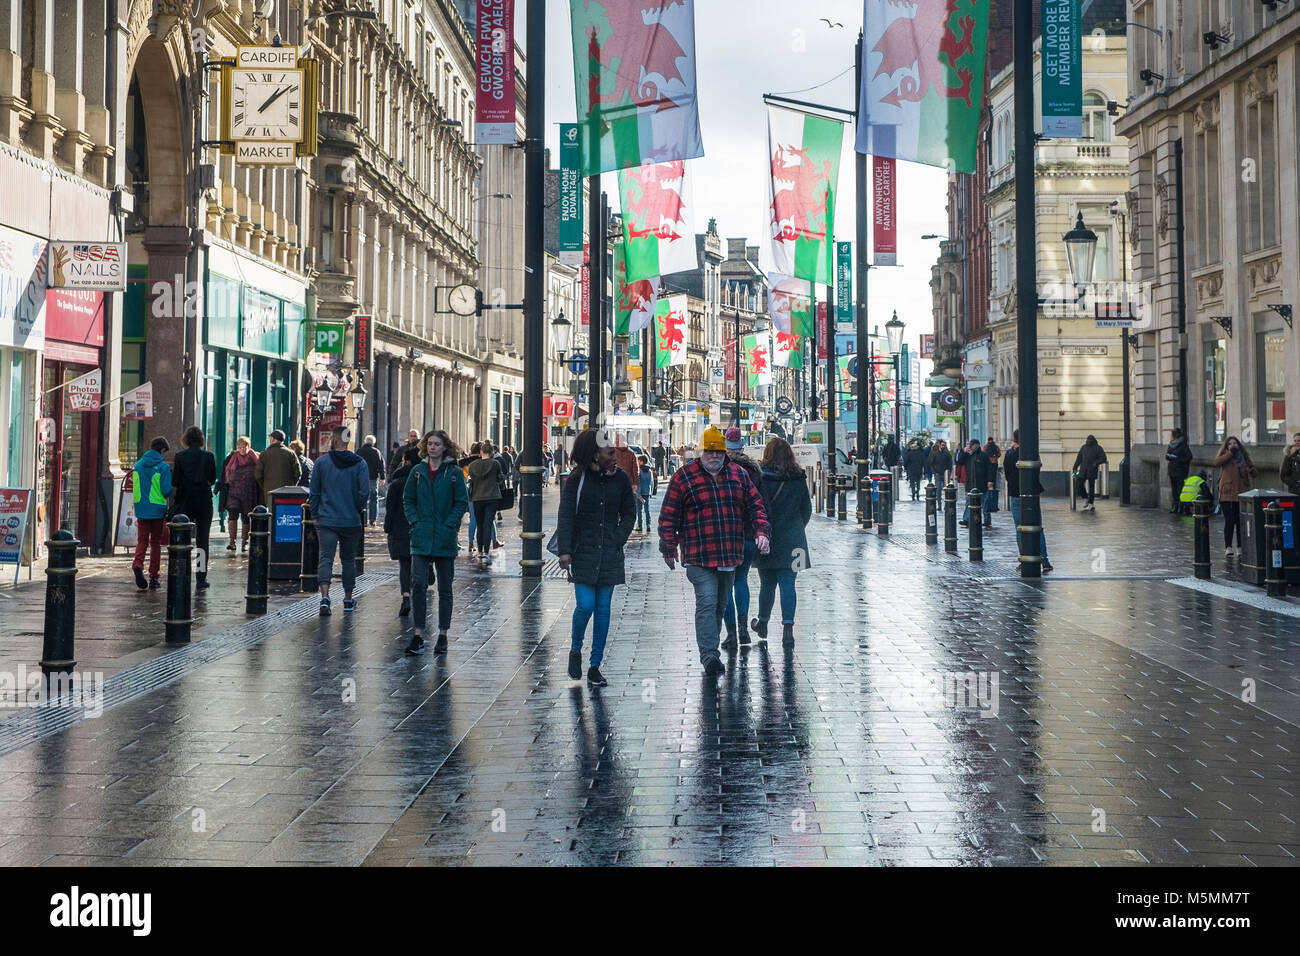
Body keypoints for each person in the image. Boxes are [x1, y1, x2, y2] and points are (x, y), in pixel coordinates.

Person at [659, 426, 770, 678]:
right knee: (707, 602)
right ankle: (709, 655)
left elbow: (756, 506)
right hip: (699, 555)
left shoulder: (738, 475)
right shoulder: (684, 477)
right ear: (700, 452)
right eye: (709, 452)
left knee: (720, 603)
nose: (714, 456)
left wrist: (762, 531)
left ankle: (712, 646)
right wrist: (668, 546)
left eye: (718, 452)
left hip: (729, 553)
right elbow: (669, 515)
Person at [554, 428, 636, 686]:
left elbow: (629, 513)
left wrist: (618, 537)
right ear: (594, 454)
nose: (614, 456)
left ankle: (595, 665)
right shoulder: (576, 479)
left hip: (610, 553)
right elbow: (566, 515)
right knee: (585, 605)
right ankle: (576, 649)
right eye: (609, 452)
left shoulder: (620, 479)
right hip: (583, 552)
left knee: (602, 611)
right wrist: (565, 551)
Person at [403, 430, 469, 655]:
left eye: (437, 444)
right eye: (429, 444)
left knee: (445, 588)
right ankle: (418, 634)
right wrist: (414, 521)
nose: (432, 447)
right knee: (418, 584)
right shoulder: (418, 472)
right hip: (421, 537)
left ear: (444, 447)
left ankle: (443, 634)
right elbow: (408, 499)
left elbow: (462, 502)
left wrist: (450, 524)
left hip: (444, 537)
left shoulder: (453, 473)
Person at [752, 437, 811, 647]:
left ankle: (763, 622)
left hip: (767, 537)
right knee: (789, 584)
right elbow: (807, 509)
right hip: (794, 538)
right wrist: (796, 527)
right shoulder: (799, 476)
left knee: (767, 584)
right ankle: (788, 628)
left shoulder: (761, 478)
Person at [309, 426, 369, 615]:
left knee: (325, 558)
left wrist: (315, 515)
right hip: (350, 520)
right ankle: (348, 599)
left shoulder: (322, 463)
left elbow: (314, 492)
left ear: (334, 440)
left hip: (327, 519)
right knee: (348, 560)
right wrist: (355, 509)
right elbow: (363, 493)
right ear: (348, 440)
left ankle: (325, 597)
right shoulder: (360, 464)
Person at [720, 427, 764, 650]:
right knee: (742, 580)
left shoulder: (721, 469)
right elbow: (761, 504)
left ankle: (731, 634)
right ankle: (744, 629)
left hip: (727, 535)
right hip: (748, 534)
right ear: (743, 447)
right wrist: (763, 531)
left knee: (727, 583)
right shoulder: (754, 471)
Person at [171, 426, 217, 590]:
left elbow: (175, 481)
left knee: (182, 539)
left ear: (186, 439)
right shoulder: (209, 456)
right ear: (201, 439)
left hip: (185, 501)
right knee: (202, 540)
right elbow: (212, 478)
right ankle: (201, 577)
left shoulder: (180, 456)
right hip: (204, 501)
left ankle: (181, 573)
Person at [1004, 430, 1053, 574]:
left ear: (1014, 439)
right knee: (1037, 527)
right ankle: (1044, 560)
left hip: (1016, 494)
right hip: (1032, 495)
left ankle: (1025, 559)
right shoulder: (1031, 452)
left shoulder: (1009, 454)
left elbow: (1007, 474)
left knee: (1020, 529)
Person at [131, 436, 173, 590]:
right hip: (158, 509)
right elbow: (166, 490)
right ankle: (154, 577)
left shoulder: (139, 464)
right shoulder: (163, 467)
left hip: (141, 508)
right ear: (162, 450)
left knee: (142, 540)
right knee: (155, 542)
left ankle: (137, 564)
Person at [385, 447, 420, 619]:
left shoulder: (396, 483)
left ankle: (405, 595)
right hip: (418, 527)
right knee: (419, 562)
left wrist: (388, 528)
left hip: (399, 528)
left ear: (406, 461)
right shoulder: (422, 481)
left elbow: (389, 509)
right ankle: (418, 593)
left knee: (404, 565)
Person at [1213, 436, 1256, 557]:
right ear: (1227, 446)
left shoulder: (1243, 456)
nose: (1233, 445)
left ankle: (1240, 546)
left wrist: (1251, 470)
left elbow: (1253, 472)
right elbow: (1216, 462)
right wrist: (1230, 454)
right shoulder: (1225, 456)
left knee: (1240, 521)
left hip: (1242, 492)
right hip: (1227, 493)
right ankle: (1228, 546)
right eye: (1230, 443)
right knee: (1229, 520)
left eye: (1235, 443)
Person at [467, 440, 503, 565]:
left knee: (480, 525)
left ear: (481, 452)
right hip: (492, 497)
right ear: (492, 452)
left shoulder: (473, 465)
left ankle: (480, 551)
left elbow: (470, 479)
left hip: (477, 497)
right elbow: (500, 478)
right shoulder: (495, 464)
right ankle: (486, 552)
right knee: (488, 524)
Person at [222, 436, 259, 551]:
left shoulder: (255, 459)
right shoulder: (233, 457)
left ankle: (244, 542)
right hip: (234, 492)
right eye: (239, 447)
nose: (242, 449)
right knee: (232, 515)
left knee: (246, 517)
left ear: (249, 446)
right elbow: (225, 471)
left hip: (249, 493)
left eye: (244, 447)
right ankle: (232, 542)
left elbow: (260, 473)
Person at [255, 429, 301, 508]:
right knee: (285, 513)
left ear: (273, 439)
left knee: (271, 513)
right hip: (287, 491)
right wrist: (291, 485)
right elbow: (298, 473)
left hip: (269, 491)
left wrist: (265, 485)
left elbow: (258, 474)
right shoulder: (290, 453)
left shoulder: (264, 454)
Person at [959, 439, 991, 527]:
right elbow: (959, 461)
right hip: (970, 483)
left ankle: (987, 520)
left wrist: (990, 480)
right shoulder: (968, 456)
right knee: (968, 502)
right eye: (970, 445)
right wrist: (963, 451)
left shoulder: (983, 456)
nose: (970, 447)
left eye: (972, 445)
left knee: (984, 503)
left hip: (982, 483)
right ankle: (966, 519)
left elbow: (989, 469)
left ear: (977, 445)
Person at [1072, 435, 1109, 511]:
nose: (1089, 441)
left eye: (1090, 440)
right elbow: (1079, 458)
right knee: (1079, 484)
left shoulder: (1098, 448)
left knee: (1091, 487)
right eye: (1088, 440)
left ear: (1093, 440)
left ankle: (1091, 503)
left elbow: (1103, 458)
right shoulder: (1084, 447)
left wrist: (1095, 463)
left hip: (1092, 470)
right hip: (1083, 470)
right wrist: (1075, 468)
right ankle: (1086, 498)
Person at [358, 434, 386, 526]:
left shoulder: (359, 451)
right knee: (374, 498)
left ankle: (364, 519)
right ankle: (372, 519)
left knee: (363, 499)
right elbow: (381, 465)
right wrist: (382, 477)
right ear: (373, 443)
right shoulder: (376, 451)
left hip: (361, 479)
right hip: (373, 479)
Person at [1165, 427, 1194, 513]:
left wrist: (1179, 460)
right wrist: (1168, 456)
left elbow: (1189, 456)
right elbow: (1167, 454)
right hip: (1172, 470)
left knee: (1180, 489)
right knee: (1174, 489)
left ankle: (1182, 506)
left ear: (1175, 435)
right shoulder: (1171, 444)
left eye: (1171, 435)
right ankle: (1175, 505)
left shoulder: (1183, 445)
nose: (1170, 436)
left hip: (1181, 470)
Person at [927, 439, 953, 506]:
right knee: (938, 490)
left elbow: (950, 463)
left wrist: (949, 472)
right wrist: (934, 472)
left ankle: (946, 504)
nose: (943, 446)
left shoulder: (947, 454)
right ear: (939, 445)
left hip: (945, 474)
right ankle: (939, 505)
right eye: (942, 445)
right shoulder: (935, 453)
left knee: (947, 490)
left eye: (944, 445)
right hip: (938, 474)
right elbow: (931, 463)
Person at [983, 437, 1001, 527]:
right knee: (992, 487)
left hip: (989, 467)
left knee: (987, 494)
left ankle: (987, 518)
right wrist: (995, 459)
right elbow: (999, 454)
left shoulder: (986, 447)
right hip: (994, 465)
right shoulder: (996, 447)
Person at [635, 454, 654, 533]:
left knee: (639, 510)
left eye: (638, 461)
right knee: (647, 510)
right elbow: (652, 483)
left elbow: (638, 483)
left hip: (640, 494)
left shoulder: (639, 471)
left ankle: (640, 526)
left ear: (642, 462)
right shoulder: (649, 471)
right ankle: (648, 525)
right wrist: (651, 492)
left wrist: (637, 493)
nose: (637, 462)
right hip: (647, 493)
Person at [1282, 432, 1300, 497]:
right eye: (1295, 441)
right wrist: (1295, 484)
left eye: (1299, 441)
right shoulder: (1290, 456)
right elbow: (1283, 475)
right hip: (1295, 491)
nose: (1296, 443)